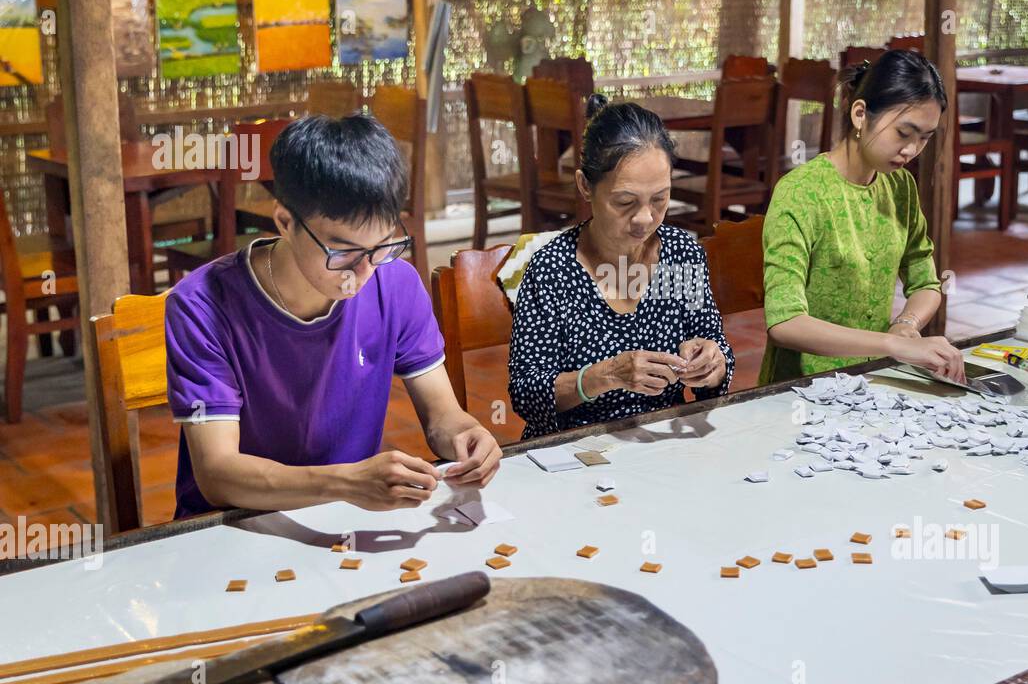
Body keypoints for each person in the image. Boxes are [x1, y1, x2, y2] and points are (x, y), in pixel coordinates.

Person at [165, 113, 502, 519]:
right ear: (285, 222)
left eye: (381, 247)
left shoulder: (394, 282)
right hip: (233, 526)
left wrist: (467, 435)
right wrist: (345, 482)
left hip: (344, 518)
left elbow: (442, 415)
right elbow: (218, 476)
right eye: (342, 252)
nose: (362, 273)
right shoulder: (202, 305)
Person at [509, 96, 734, 439]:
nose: (645, 218)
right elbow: (526, 394)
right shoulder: (552, 270)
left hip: (662, 445)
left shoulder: (682, 254)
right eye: (625, 202)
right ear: (585, 186)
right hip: (575, 452)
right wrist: (608, 374)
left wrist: (712, 367)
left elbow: (715, 357)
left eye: (660, 199)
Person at [760, 49, 967, 385]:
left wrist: (908, 323)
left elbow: (927, 283)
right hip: (802, 389)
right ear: (860, 114)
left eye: (924, 138)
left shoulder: (899, 186)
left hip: (870, 379)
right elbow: (785, 323)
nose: (911, 150)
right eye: (903, 133)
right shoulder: (801, 193)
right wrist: (892, 344)